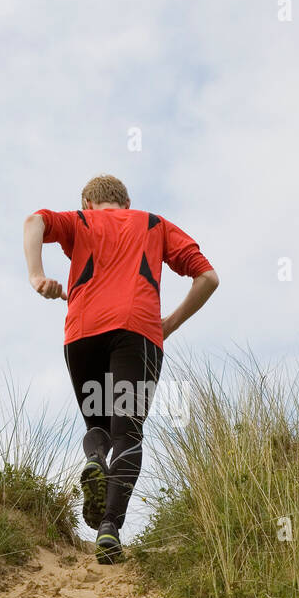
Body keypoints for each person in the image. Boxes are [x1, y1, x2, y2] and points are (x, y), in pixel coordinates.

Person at [24, 174, 219, 563]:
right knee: (127, 432)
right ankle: (110, 528)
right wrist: (168, 325)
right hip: (137, 334)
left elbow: (34, 221)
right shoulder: (154, 224)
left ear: (88, 204)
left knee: (97, 426)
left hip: (82, 334)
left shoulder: (79, 222)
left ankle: (95, 460)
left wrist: (36, 276)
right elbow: (208, 278)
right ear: (125, 204)